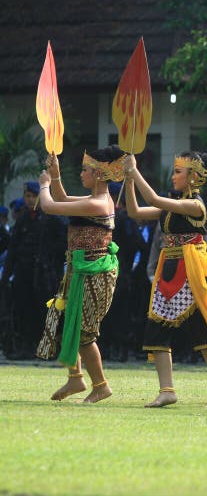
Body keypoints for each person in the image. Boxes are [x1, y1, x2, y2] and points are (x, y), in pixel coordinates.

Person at [124, 150, 207, 407]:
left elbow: (152, 198)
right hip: (169, 269)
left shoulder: (196, 205)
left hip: (192, 271)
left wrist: (134, 170)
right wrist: (128, 179)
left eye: (178, 172)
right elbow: (134, 211)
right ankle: (167, 391)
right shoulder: (171, 205)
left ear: (193, 176)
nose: (173, 176)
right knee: (157, 331)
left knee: (203, 331)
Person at [35, 147, 124, 402]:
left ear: (98, 174)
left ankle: (101, 386)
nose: (82, 173)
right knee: (69, 323)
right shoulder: (93, 200)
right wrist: (55, 174)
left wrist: (44, 184)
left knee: (84, 333)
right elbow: (61, 198)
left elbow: (50, 206)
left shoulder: (97, 203)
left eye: (85, 170)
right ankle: (75, 378)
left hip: (94, 273)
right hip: (80, 269)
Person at [1, 182, 66, 358]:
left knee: (45, 312)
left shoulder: (52, 218)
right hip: (24, 273)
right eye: (27, 196)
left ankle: (49, 347)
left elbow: (64, 244)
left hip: (45, 275)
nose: (30, 200)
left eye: (34, 196)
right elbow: (13, 249)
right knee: (24, 310)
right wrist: (6, 276)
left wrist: (48, 255)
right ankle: (27, 347)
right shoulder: (23, 218)